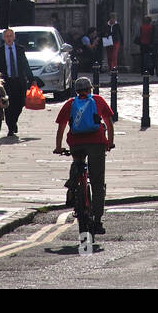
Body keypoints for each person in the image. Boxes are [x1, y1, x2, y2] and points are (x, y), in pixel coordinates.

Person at [53, 76, 115, 236]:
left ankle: (73, 185)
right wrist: (109, 142)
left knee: (78, 162)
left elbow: (61, 127)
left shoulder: (70, 103)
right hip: (96, 143)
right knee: (97, 181)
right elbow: (109, 123)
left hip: (76, 143)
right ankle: (98, 221)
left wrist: (59, 147)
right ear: (90, 89)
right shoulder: (98, 100)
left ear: (75, 91)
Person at [0, 27, 34, 137]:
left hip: (19, 81)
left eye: (11, 36)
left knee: (20, 103)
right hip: (7, 82)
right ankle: (11, 126)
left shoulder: (20, 49)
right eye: (7, 36)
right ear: (3, 38)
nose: (9, 38)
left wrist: (32, 79)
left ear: (14, 37)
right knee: (8, 105)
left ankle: (14, 121)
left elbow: (25, 65)